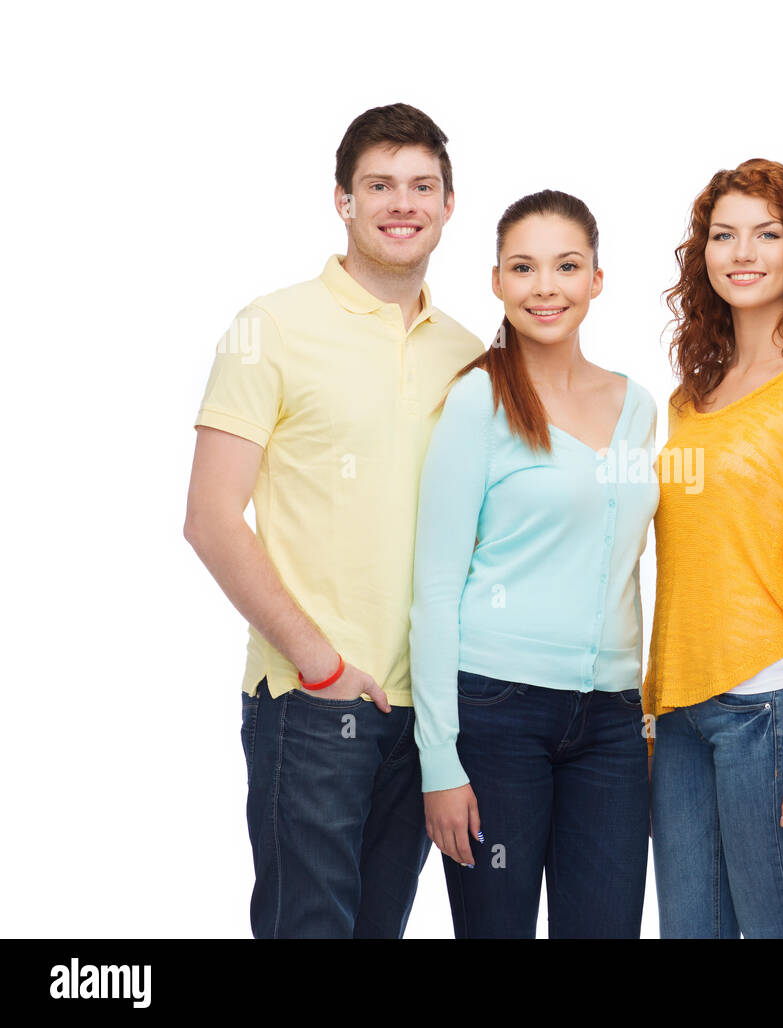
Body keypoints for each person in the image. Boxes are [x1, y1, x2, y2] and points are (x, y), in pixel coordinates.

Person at [184, 103, 484, 938]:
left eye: (422, 186)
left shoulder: (466, 353)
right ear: (344, 202)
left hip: (423, 709)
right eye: (379, 185)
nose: (402, 203)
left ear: (449, 205)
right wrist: (319, 664)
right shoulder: (270, 328)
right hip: (311, 701)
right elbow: (210, 517)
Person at [411, 190, 658, 939]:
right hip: (496, 713)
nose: (544, 287)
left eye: (566, 266)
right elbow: (433, 587)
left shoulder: (639, 406)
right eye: (523, 267)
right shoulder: (478, 399)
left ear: (596, 279)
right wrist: (439, 762)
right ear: (496, 281)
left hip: (613, 723)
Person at [643, 158, 783, 938]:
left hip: (771, 711)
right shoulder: (688, 397)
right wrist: (649, 705)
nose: (742, 252)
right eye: (723, 234)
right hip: (678, 716)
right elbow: (679, 566)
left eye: (766, 234)